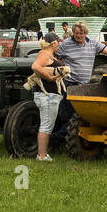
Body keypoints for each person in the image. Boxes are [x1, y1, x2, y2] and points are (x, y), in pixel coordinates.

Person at [30, 32, 68, 161]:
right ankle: (42, 155)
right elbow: (35, 66)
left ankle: (43, 153)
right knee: (46, 125)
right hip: (47, 95)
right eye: (58, 42)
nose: (59, 45)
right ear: (53, 43)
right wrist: (49, 78)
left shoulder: (49, 54)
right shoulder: (45, 54)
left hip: (50, 95)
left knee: (47, 124)